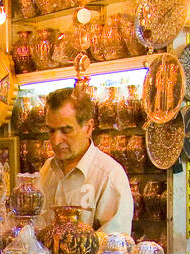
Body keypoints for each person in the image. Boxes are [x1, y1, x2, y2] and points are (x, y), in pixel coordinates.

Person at [38, 87, 134, 235]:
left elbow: (114, 249)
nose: (56, 141)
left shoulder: (109, 176)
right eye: (51, 130)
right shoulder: (47, 170)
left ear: (88, 128)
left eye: (66, 130)